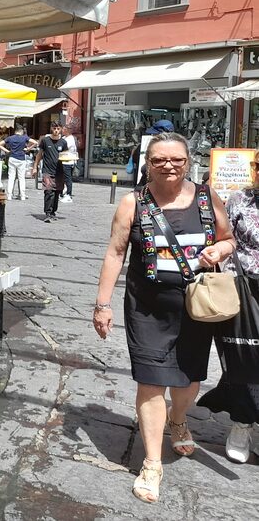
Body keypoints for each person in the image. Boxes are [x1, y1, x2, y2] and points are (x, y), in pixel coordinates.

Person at [94, 132, 235, 504]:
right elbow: (115, 253)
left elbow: (228, 238)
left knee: (189, 379)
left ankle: (179, 419)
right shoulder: (132, 202)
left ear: (188, 162)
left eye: (176, 159)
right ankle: (152, 463)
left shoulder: (206, 197)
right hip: (147, 308)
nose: (168, 166)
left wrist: (220, 249)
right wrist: (102, 304)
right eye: (159, 160)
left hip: (197, 307)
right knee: (151, 382)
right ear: (148, 163)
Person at [196, 148, 259, 463]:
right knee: (244, 358)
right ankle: (242, 422)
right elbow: (222, 238)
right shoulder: (239, 200)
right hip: (244, 290)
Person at [33, 122, 68, 222]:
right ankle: (47, 213)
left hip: (59, 171)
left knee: (57, 192)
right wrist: (35, 167)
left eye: (58, 128)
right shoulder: (45, 141)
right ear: (51, 128)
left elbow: (66, 155)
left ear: (61, 129)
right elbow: (39, 154)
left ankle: (53, 212)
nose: (56, 130)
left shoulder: (63, 142)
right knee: (48, 191)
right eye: (54, 128)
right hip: (47, 170)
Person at [0, 125, 37, 201]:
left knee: (11, 178)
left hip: (12, 158)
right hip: (21, 159)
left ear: (15, 131)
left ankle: (9, 195)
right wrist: (28, 149)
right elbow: (35, 142)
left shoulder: (10, 138)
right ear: (21, 131)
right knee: (21, 178)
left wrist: (7, 151)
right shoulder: (24, 138)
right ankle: (22, 195)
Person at [60, 125, 77, 203]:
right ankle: (62, 192)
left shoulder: (70, 139)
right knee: (62, 178)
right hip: (63, 161)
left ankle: (68, 195)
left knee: (68, 178)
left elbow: (63, 148)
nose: (62, 130)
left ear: (67, 130)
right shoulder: (64, 138)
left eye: (63, 129)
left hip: (68, 161)